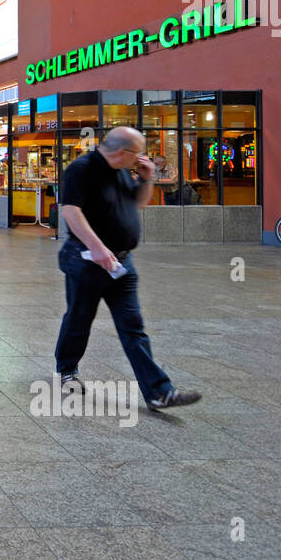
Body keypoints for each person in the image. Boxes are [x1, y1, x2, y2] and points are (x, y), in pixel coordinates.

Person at [53, 127, 201, 409]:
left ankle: (159, 391)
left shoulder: (122, 169)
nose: (142, 157)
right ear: (122, 152)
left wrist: (147, 179)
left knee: (133, 327)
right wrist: (98, 248)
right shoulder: (81, 169)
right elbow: (71, 211)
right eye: (138, 152)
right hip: (86, 260)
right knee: (79, 319)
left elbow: (138, 204)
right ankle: (67, 369)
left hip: (122, 263)